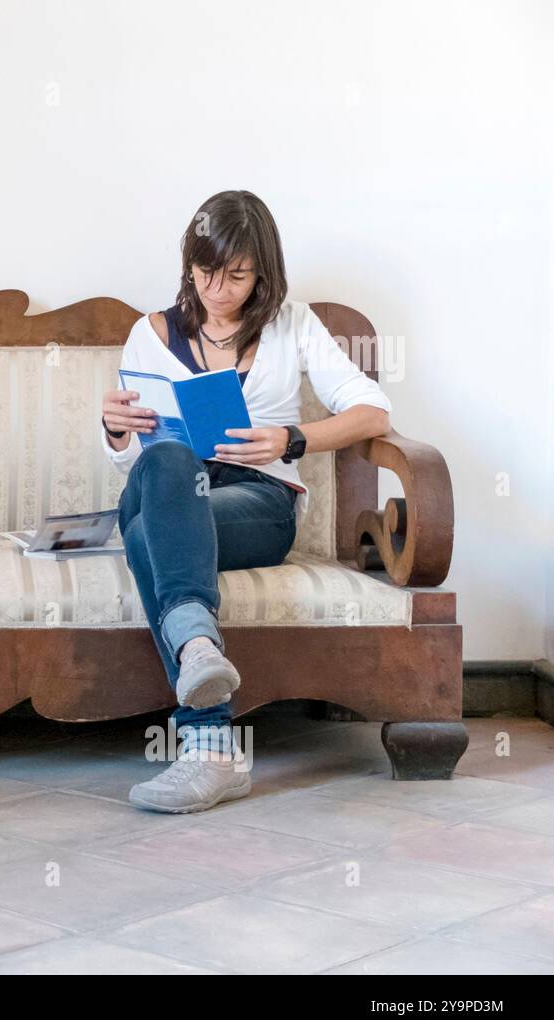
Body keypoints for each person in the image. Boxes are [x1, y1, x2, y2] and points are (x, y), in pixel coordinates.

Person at [100, 190, 393, 813]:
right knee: (165, 463)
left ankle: (204, 710)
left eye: (236, 276)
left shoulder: (293, 323)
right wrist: (117, 429)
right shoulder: (148, 335)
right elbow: (129, 459)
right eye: (205, 272)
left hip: (257, 500)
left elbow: (372, 411)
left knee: (150, 537)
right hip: (168, 485)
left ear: (263, 272)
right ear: (189, 264)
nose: (218, 289)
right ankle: (204, 689)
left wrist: (291, 439)